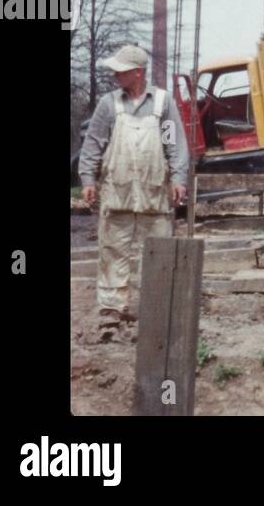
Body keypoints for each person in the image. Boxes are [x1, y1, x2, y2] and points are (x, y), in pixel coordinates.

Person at [78, 45, 189, 342]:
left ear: (138, 72)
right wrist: (88, 178)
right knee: (113, 253)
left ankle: (157, 312)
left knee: (159, 254)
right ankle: (112, 314)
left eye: (121, 70)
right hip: (118, 194)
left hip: (154, 195)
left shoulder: (163, 103)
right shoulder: (108, 105)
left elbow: (175, 145)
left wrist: (178, 178)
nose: (115, 74)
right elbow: (93, 145)